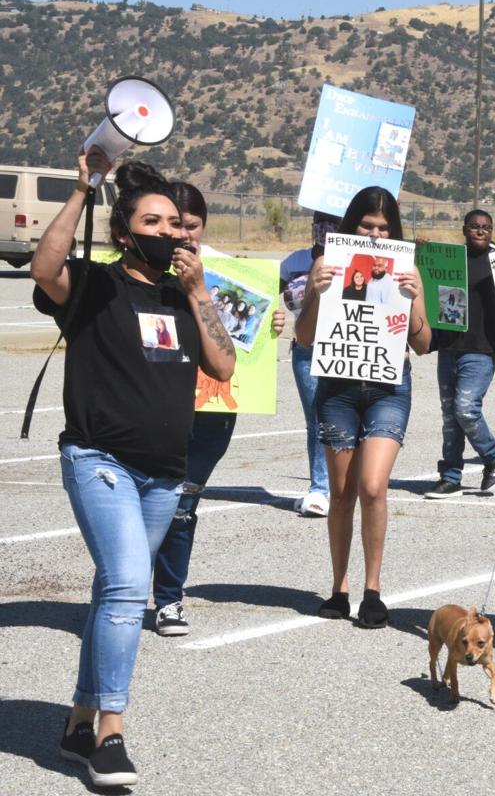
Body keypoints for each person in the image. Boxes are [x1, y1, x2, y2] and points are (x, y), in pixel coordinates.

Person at [33, 153, 235, 787]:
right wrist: (82, 190)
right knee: (126, 586)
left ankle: (78, 722)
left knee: (111, 594)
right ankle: (110, 733)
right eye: (153, 222)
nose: (168, 232)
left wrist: (199, 291)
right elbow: (44, 268)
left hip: (163, 474)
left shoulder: (183, 294)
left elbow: (224, 365)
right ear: (124, 233)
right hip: (100, 459)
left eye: (176, 223)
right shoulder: (96, 285)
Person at [295, 186, 432, 628]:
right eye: (366, 226)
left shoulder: (407, 269)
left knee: (373, 486)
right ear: (351, 226)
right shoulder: (326, 264)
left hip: (388, 389)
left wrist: (412, 300)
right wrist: (317, 293)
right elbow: (303, 337)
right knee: (341, 493)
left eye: (383, 228)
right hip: (338, 389)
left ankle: (373, 589)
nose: (374, 234)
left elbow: (423, 342)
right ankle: (340, 587)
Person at [152, 181, 270, 638]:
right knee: (147, 502)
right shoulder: (144, 269)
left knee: (183, 503)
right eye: (173, 225)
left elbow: (246, 344)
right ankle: (123, 591)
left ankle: (168, 600)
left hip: (211, 408)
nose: (182, 234)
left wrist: (270, 325)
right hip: (155, 403)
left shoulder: (227, 272)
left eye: (192, 225)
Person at [426, 210, 495, 499]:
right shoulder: (449, 259)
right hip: (450, 346)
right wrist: (422, 251)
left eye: (486, 227)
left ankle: (493, 455)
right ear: (464, 230)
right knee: (450, 416)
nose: (480, 231)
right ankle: (450, 477)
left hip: (483, 348)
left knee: (466, 408)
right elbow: (426, 279)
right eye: (474, 226)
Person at [279, 211, 339, 518]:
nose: (325, 230)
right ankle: (320, 489)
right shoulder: (294, 262)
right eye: (320, 224)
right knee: (316, 418)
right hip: (306, 349)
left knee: (339, 417)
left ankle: (336, 485)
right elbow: (263, 296)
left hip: (341, 348)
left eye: (333, 224)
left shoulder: (352, 259)